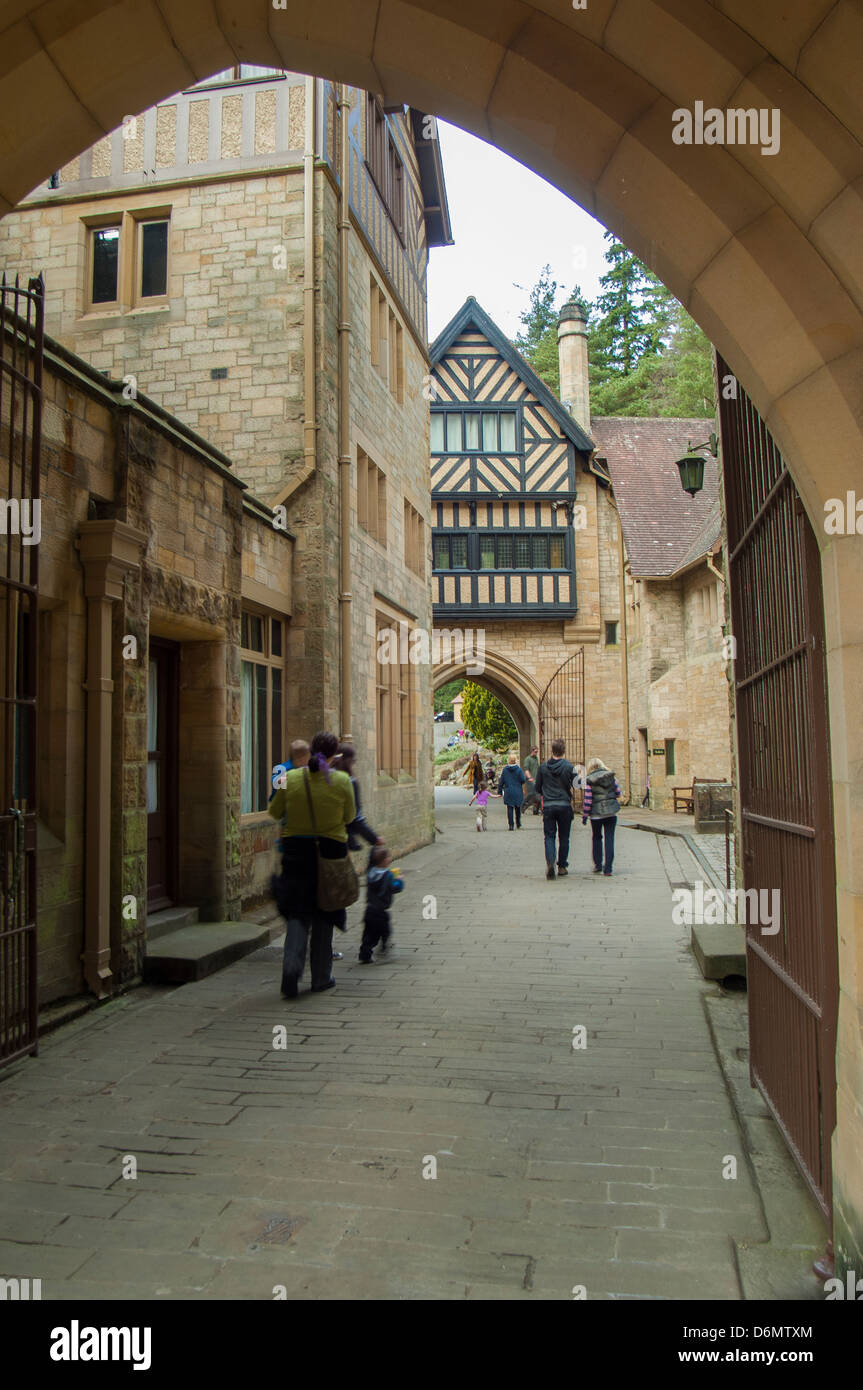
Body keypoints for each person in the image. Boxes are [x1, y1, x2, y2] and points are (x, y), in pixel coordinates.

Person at [268, 730, 355, 997]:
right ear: (333, 755)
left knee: (297, 911)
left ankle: (291, 971)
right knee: (324, 911)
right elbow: (350, 816)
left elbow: (274, 811)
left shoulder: (288, 778)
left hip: (296, 854)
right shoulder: (341, 781)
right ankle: (320, 977)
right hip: (330, 854)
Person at [535, 738, 576, 879]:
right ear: (564, 751)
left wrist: (546, 792)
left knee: (549, 836)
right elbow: (577, 785)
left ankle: (550, 862)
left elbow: (537, 788)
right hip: (564, 805)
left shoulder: (543, 767)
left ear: (551, 750)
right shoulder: (569, 766)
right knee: (564, 837)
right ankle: (562, 866)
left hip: (549, 806)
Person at [359, 845, 404, 963]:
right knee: (385, 931)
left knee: (368, 934)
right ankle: (384, 950)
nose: (389, 858)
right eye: (388, 857)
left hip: (369, 910)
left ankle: (365, 954)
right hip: (381, 911)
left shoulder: (370, 873)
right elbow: (395, 888)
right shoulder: (388, 875)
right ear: (384, 861)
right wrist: (399, 880)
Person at [582, 758, 622, 876]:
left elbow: (588, 800)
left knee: (596, 837)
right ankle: (608, 868)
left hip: (596, 814)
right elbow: (618, 792)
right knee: (609, 839)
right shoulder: (611, 777)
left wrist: (585, 815)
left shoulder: (589, 780)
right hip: (611, 812)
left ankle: (598, 864)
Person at [498, 753, 526, 830]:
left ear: (509, 760)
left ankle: (511, 825)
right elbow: (523, 780)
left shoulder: (505, 770)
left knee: (509, 808)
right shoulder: (519, 769)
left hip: (508, 791)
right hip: (517, 791)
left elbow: (501, 781)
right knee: (518, 808)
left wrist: (499, 791)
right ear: (515, 760)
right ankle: (518, 823)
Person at [523, 745, 540, 814]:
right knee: (531, 794)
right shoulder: (527, 759)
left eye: (537, 752)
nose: (536, 753)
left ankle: (535, 810)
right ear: (532, 751)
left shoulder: (536, 759)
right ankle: (523, 806)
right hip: (530, 780)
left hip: (536, 779)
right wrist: (530, 778)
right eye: (535, 752)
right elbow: (526, 769)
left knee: (537, 795)